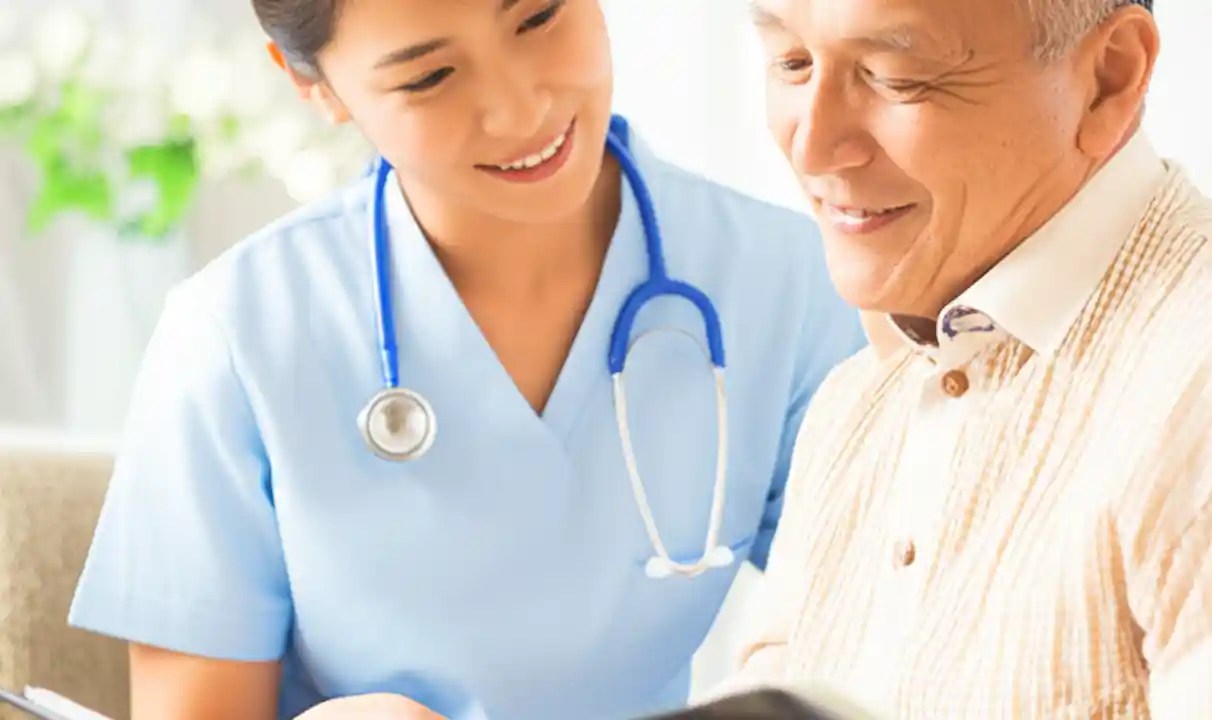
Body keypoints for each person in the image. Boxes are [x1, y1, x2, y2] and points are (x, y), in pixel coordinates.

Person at [65, 1, 866, 719]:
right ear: (319, 88)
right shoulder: (235, 334)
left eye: (540, 17)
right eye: (431, 76)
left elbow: (888, 635)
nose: (520, 107)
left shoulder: (790, 281)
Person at [730, 0, 1212, 717]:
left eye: (896, 77)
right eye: (793, 63)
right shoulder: (855, 403)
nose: (812, 145)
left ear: (1110, 78)